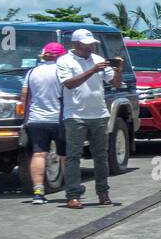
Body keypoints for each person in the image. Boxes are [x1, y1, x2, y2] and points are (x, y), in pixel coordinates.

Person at [56, 28, 122, 209]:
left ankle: (103, 193)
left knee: (101, 156)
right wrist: (92, 71)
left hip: (99, 114)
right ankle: (73, 195)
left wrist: (118, 70)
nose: (90, 48)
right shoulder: (64, 61)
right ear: (75, 45)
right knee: (73, 156)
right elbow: (69, 84)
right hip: (75, 115)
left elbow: (115, 84)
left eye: (92, 45)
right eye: (86, 45)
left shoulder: (99, 60)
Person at [21, 41, 67, 204]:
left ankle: (38, 192)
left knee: (39, 153)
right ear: (62, 56)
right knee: (65, 155)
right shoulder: (64, 71)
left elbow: (24, 97)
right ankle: (71, 190)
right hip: (60, 119)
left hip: (36, 120)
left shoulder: (32, 72)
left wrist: (25, 120)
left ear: (44, 55)